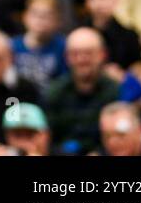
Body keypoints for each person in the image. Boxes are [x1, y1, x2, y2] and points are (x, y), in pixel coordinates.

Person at [43, 27, 119, 155]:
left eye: (88, 53)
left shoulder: (116, 91)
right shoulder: (54, 93)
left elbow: (120, 138)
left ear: (103, 54)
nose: (82, 59)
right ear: (66, 57)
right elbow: (47, 140)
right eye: (75, 54)